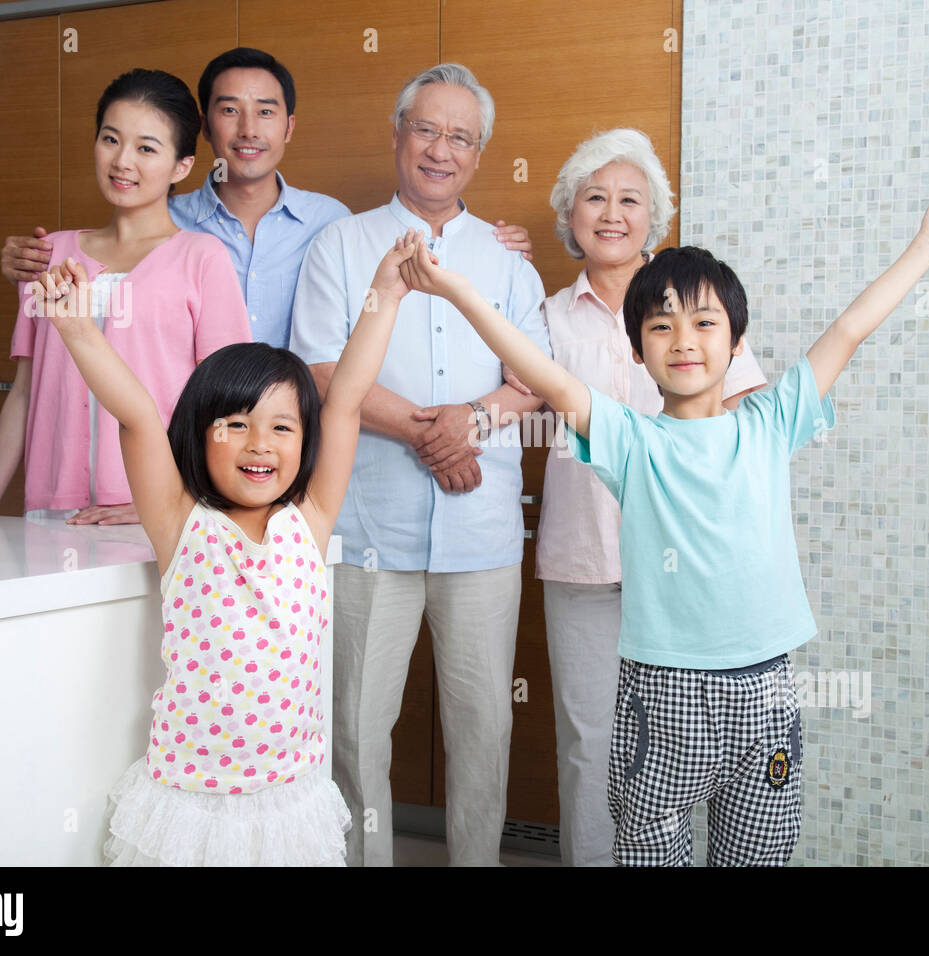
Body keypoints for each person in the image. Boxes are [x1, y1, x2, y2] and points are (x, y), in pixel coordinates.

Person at [394, 192, 929, 865]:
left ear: (736, 345)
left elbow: (849, 329)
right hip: (660, 696)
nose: (683, 340)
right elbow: (542, 375)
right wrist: (455, 291)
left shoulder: (770, 423)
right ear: (638, 352)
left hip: (764, 691)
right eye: (660, 325)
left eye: (704, 323)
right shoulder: (628, 439)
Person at [27, 224, 431, 865]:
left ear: (304, 441)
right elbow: (135, 412)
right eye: (235, 425)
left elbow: (347, 401)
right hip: (194, 802)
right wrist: (76, 327)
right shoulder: (180, 522)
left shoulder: (311, 517)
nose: (259, 444)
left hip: (289, 798)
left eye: (280, 427)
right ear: (198, 432)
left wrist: (386, 291)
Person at [291, 63, 549, 866]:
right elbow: (323, 371)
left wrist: (470, 424)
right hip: (368, 532)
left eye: (460, 137)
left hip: (481, 536)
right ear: (398, 133)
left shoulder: (508, 261)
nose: (441, 149)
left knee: (485, 728)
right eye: (426, 129)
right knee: (356, 728)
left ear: (480, 154)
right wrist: (424, 432)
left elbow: (535, 381)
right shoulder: (341, 243)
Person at [532, 129, 767, 866]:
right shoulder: (546, 315)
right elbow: (512, 393)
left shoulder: (691, 305)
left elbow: (746, 416)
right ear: (569, 215)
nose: (610, 213)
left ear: (654, 216)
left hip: (686, 566)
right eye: (593, 198)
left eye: (629, 199)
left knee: (691, 746)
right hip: (584, 558)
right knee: (591, 744)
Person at [0, 48, 534, 352]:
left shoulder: (333, 224)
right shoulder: (169, 223)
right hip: (184, 440)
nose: (249, 129)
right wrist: (29, 260)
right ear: (205, 126)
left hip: (295, 443)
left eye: (267, 111)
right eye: (230, 110)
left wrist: (489, 241)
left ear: (290, 126)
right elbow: (103, 283)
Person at [0, 69, 251, 524]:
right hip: (53, 507)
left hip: (156, 510)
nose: (122, 161)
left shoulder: (203, 258)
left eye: (146, 148)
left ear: (182, 166)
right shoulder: (50, 255)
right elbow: (24, 392)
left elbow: (227, 403)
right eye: (110, 139)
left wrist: (177, 496)